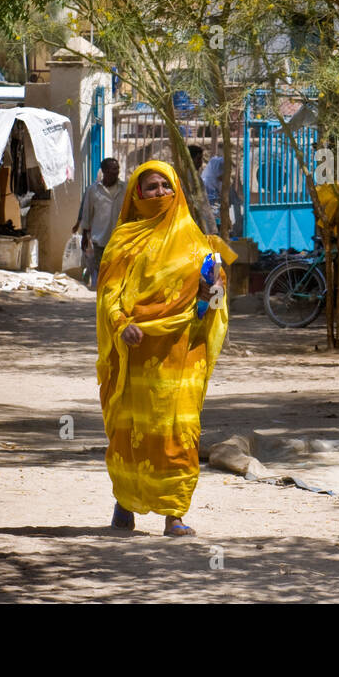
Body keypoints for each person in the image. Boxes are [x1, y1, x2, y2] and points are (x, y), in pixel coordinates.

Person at [96, 161, 229, 536]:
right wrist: (122, 325)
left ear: (176, 192)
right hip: (136, 353)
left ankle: (174, 514)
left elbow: (214, 305)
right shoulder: (123, 243)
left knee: (179, 432)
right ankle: (125, 503)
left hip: (181, 353)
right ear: (136, 196)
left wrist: (211, 293)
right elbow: (109, 294)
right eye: (149, 188)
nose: (157, 194)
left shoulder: (198, 245)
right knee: (131, 430)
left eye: (163, 186)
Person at [74, 158, 125, 291]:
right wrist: (85, 235)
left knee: (117, 269)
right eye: (112, 169)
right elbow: (87, 213)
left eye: (117, 169)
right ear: (104, 171)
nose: (115, 172)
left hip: (120, 238)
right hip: (100, 238)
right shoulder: (93, 190)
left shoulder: (125, 188)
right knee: (101, 267)